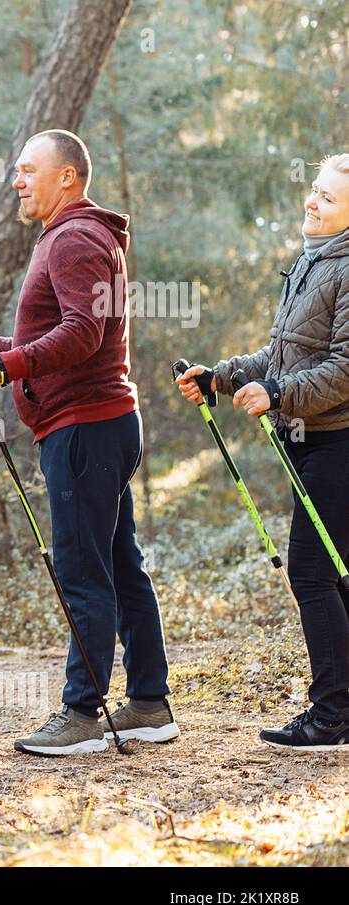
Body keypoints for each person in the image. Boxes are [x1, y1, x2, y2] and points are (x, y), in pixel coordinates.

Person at [0, 129, 176, 756]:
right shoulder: (80, 236)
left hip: (84, 429)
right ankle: (149, 704)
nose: (17, 180)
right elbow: (64, 336)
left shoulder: (72, 238)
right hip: (99, 423)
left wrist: (5, 368)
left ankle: (81, 715)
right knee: (119, 564)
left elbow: (82, 337)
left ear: (66, 177)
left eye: (26, 169)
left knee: (82, 572)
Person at [177, 153, 349, 751]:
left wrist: (277, 392)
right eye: (314, 190)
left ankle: (330, 718)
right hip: (311, 440)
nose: (312, 201)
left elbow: (345, 371)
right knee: (336, 576)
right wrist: (221, 378)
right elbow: (286, 355)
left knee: (309, 570)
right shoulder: (314, 262)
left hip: (338, 441)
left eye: (327, 197)